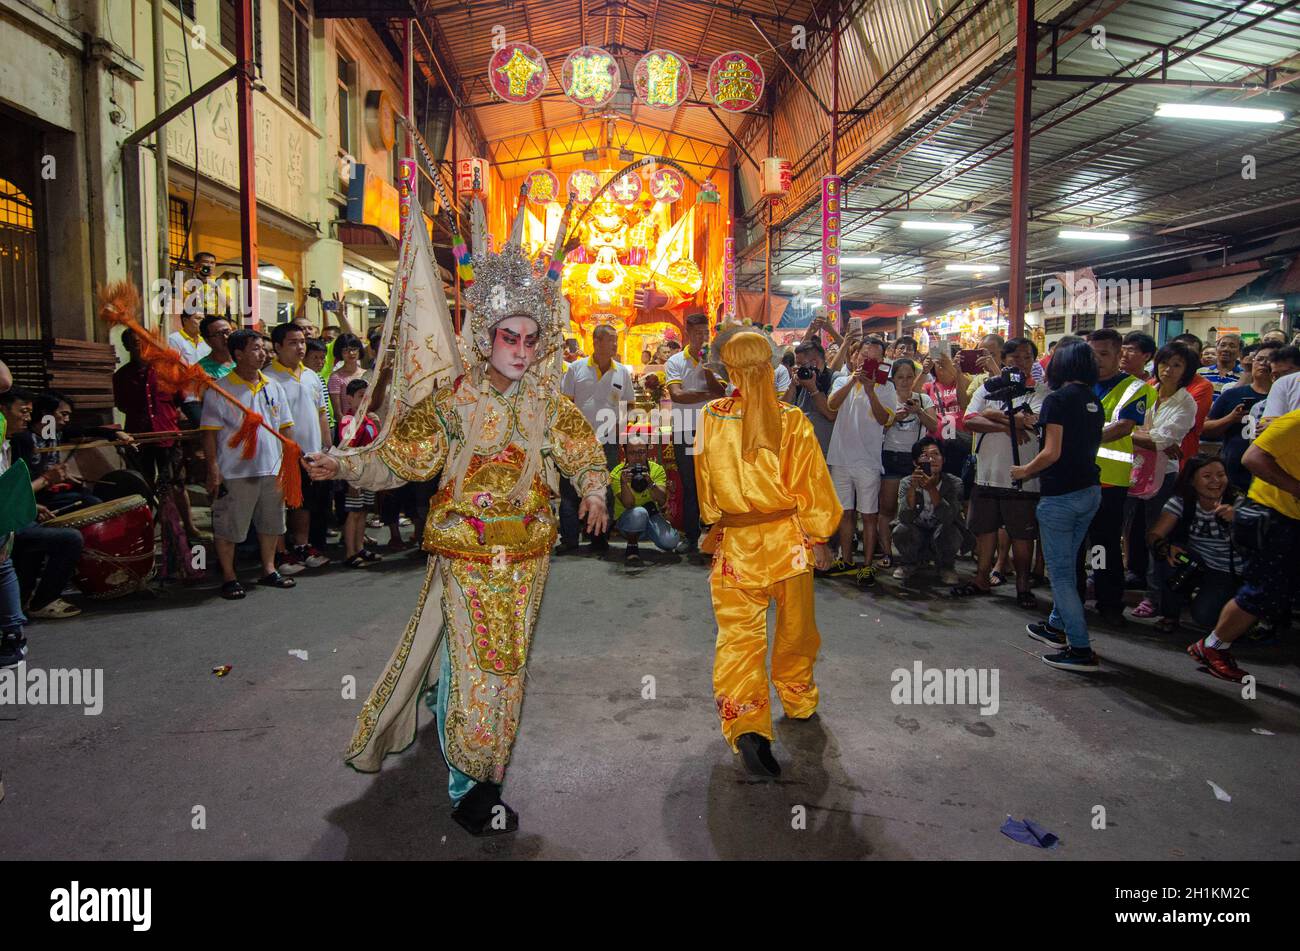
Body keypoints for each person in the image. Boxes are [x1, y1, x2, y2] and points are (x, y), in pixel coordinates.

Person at [304, 220, 610, 836]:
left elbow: (581, 451)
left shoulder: (547, 402)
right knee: (480, 667)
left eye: (530, 339)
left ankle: (484, 758)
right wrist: (343, 463)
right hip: (466, 556)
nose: (521, 350)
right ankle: (474, 786)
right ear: (484, 337)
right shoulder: (450, 403)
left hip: (526, 559)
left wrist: (596, 490)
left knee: (509, 666)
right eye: (510, 337)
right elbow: (399, 458)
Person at [694, 329, 841, 778]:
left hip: (736, 544)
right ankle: (798, 700)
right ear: (770, 367)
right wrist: (821, 539)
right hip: (788, 545)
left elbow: (707, 493)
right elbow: (812, 487)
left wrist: (717, 521)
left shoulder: (710, 417)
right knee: (796, 631)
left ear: (727, 370)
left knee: (739, 639)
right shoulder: (792, 419)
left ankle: (748, 728)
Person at [1186, 407, 1300, 683]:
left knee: (1274, 590)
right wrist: (1297, 488)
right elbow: (1253, 457)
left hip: (1289, 519)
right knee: (1263, 590)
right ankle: (1213, 646)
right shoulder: (1295, 422)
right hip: (1273, 517)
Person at [1011, 340, 1104, 672]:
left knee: (1061, 574)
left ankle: (1079, 646)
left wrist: (1024, 470)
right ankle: (1056, 625)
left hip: (1061, 495)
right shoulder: (1093, 400)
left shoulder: (1058, 400)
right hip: (1090, 491)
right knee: (1069, 561)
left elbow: (1052, 451)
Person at [199, 330, 298, 600]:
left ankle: (268, 569)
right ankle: (230, 577)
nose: (262, 353)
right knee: (230, 526)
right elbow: (208, 433)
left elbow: (286, 427)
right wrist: (213, 468)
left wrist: (290, 462)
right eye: (255, 349)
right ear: (238, 354)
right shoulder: (220, 389)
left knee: (271, 523)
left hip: (271, 468)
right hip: (236, 471)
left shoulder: (272, 386)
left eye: (263, 348)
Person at [954, 337, 1046, 608]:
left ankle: (1022, 587)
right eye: (1015, 357)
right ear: (1004, 360)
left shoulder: (1040, 391)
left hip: (1022, 475)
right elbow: (969, 420)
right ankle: (981, 578)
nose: (1020, 362)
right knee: (985, 531)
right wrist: (1009, 423)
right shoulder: (987, 388)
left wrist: (995, 416)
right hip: (987, 473)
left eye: (1027, 357)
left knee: (1022, 535)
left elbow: (1034, 422)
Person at [1084, 328, 1152, 627]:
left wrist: (1079, 439)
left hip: (1109, 481)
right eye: (1092, 354)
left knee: (1104, 544)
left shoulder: (1135, 388)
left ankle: (1108, 599)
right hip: (1076, 477)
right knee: (1076, 543)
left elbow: (1124, 427)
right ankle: (1075, 595)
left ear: (1118, 354)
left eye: (1104, 354)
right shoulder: (1080, 385)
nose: (1097, 361)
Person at [1127, 342, 1199, 617]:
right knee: (1125, 531)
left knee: (1155, 535)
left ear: (1186, 371)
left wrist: (1127, 434)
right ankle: (1119, 577)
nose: (1168, 370)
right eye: (1165, 363)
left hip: (1162, 476)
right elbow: (1119, 422)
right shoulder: (1145, 391)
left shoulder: (1186, 402)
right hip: (1130, 469)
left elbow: (1163, 439)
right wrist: (1146, 438)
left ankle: (1154, 596)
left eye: (1177, 365)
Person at [2, 390, 84, 620]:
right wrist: (47, 480)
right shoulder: (22, 441)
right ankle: (41, 601)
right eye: (23, 412)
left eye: (30, 412)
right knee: (70, 538)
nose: (28, 418)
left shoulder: (9, 443)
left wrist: (32, 506)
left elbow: (11, 493)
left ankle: (24, 600)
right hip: (6, 525)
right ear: (3, 411)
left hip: (14, 515)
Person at [826, 335, 898, 586]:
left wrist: (869, 390)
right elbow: (831, 405)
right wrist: (854, 382)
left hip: (867, 461)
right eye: (863, 356)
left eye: (873, 359)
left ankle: (866, 565)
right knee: (845, 512)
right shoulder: (842, 380)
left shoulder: (886, 387)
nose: (867, 362)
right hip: (840, 457)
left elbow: (884, 419)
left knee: (868, 515)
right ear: (855, 356)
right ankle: (846, 560)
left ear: (882, 362)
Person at [558, 324, 633, 554]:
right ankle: (570, 539)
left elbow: (630, 404)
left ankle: (600, 538)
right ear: (596, 342)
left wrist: (620, 421)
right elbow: (565, 405)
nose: (614, 344)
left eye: (616, 340)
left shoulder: (622, 371)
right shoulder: (576, 368)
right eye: (610, 339)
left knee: (605, 489)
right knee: (570, 488)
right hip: (577, 441)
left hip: (607, 441)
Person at [1147, 458, 1239, 634]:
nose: (1216, 481)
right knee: (1169, 556)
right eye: (1207, 476)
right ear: (1191, 480)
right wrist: (1165, 547)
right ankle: (1170, 615)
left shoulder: (1238, 502)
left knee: (1204, 616)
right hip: (1197, 565)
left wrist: (1240, 519)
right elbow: (1154, 535)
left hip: (1229, 572)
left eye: (1221, 475)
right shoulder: (1181, 502)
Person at [266, 323, 331, 570]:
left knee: (304, 502)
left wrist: (326, 445)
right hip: (281, 453)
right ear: (278, 347)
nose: (300, 347)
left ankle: (303, 546)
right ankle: (281, 552)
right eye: (293, 343)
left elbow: (321, 412)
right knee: (281, 504)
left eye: (302, 342)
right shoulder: (269, 378)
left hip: (311, 452)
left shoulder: (311, 376)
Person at [665, 312, 727, 556]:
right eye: (698, 332)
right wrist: (705, 396)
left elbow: (721, 392)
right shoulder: (675, 362)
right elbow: (677, 395)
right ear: (688, 333)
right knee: (690, 483)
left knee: (714, 482)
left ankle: (715, 535)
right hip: (683, 428)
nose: (703, 337)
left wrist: (708, 368)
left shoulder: (715, 361)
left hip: (712, 427)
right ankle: (691, 536)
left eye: (706, 332)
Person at [877, 358, 937, 569]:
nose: (904, 381)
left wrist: (918, 411)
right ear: (893, 379)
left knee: (916, 508)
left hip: (916, 459)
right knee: (887, 508)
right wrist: (894, 417)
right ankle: (886, 552)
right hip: (890, 456)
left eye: (909, 377)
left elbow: (933, 425)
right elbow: (876, 429)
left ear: (915, 378)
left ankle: (916, 553)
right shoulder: (886, 397)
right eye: (900, 377)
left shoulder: (922, 399)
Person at [1202, 341, 1276, 491]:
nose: (1263, 364)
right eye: (1259, 359)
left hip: (1271, 473)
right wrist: (1230, 418)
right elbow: (1205, 428)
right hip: (1233, 471)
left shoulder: (1286, 398)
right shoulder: (1232, 394)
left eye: (1269, 360)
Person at [892, 437, 963, 583]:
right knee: (901, 530)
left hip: (941, 532)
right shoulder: (907, 482)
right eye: (925, 456)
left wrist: (932, 490)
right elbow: (904, 517)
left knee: (951, 530)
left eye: (936, 454)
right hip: (918, 532)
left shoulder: (954, 483)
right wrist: (912, 489)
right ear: (915, 462)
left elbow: (949, 518)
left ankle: (946, 567)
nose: (932, 459)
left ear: (943, 459)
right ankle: (909, 563)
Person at [611, 431, 678, 567]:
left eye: (641, 452)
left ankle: (650, 531)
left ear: (647, 451)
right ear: (625, 453)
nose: (637, 457)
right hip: (628, 522)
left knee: (671, 542)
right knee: (639, 512)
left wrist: (651, 483)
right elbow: (628, 504)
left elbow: (661, 500)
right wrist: (624, 483)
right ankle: (632, 545)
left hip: (652, 517)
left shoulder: (656, 469)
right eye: (632, 453)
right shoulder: (618, 473)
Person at [337, 379, 382, 568]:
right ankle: (350, 552)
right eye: (360, 396)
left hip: (368, 471)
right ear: (349, 398)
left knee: (363, 511)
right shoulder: (348, 420)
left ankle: (360, 547)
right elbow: (348, 450)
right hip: (355, 472)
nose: (364, 399)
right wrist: (351, 480)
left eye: (366, 396)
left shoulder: (369, 418)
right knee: (353, 512)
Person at [784, 340, 837, 457]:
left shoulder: (835, 378)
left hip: (824, 452)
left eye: (801, 364)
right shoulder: (801, 379)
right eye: (796, 364)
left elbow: (830, 415)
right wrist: (792, 385)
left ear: (815, 363)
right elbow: (782, 409)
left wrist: (813, 389)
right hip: (801, 450)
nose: (798, 368)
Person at [327, 333, 367, 423]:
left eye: (354, 349)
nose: (351, 353)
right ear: (340, 353)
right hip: (347, 427)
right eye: (346, 350)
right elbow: (337, 412)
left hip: (368, 425)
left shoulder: (368, 374)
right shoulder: (336, 377)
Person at [1262, 344, 1300, 418]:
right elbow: (1263, 427)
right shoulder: (1260, 408)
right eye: (1276, 375)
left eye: (1287, 373)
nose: (1281, 380)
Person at [197, 316, 235, 381]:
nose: (225, 337)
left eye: (227, 332)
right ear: (207, 340)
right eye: (218, 334)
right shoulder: (200, 370)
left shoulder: (245, 359)